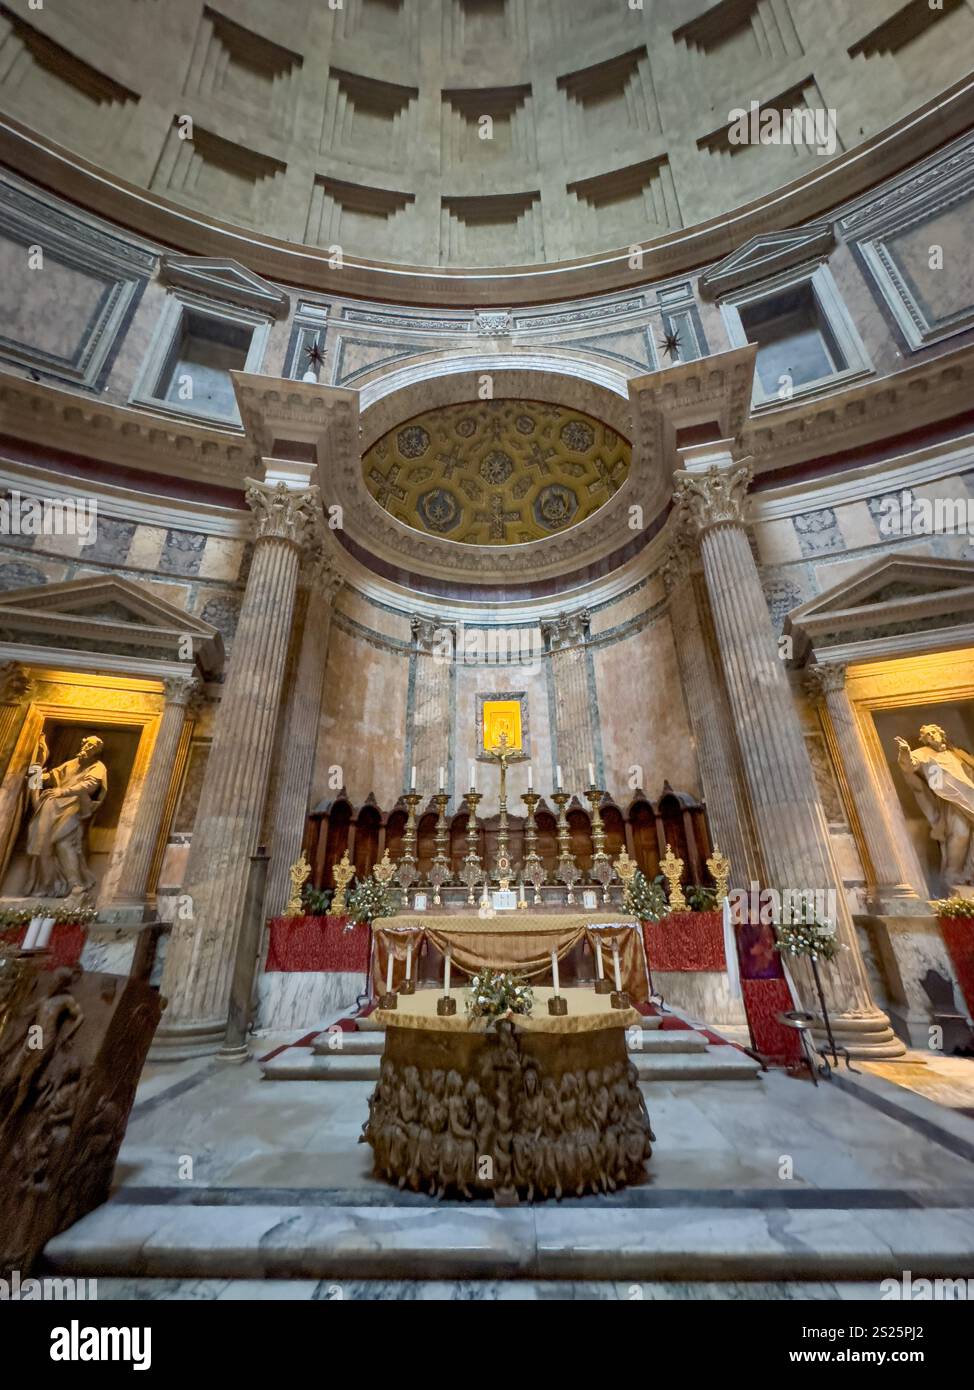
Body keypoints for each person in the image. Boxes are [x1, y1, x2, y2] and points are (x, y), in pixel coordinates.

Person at [24, 734, 107, 899]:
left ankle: (75, 885)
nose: (87, 749)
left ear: (97, 751)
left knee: (65, 844)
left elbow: (89, 786)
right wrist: (38, 763)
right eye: (86, 745)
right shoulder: (71, 764)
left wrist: (63, 791)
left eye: (91, 747)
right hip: (51, 806)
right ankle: (48, 886)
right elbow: (45, 779)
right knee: (42, 845)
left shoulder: (98, 767)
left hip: (73, 807)